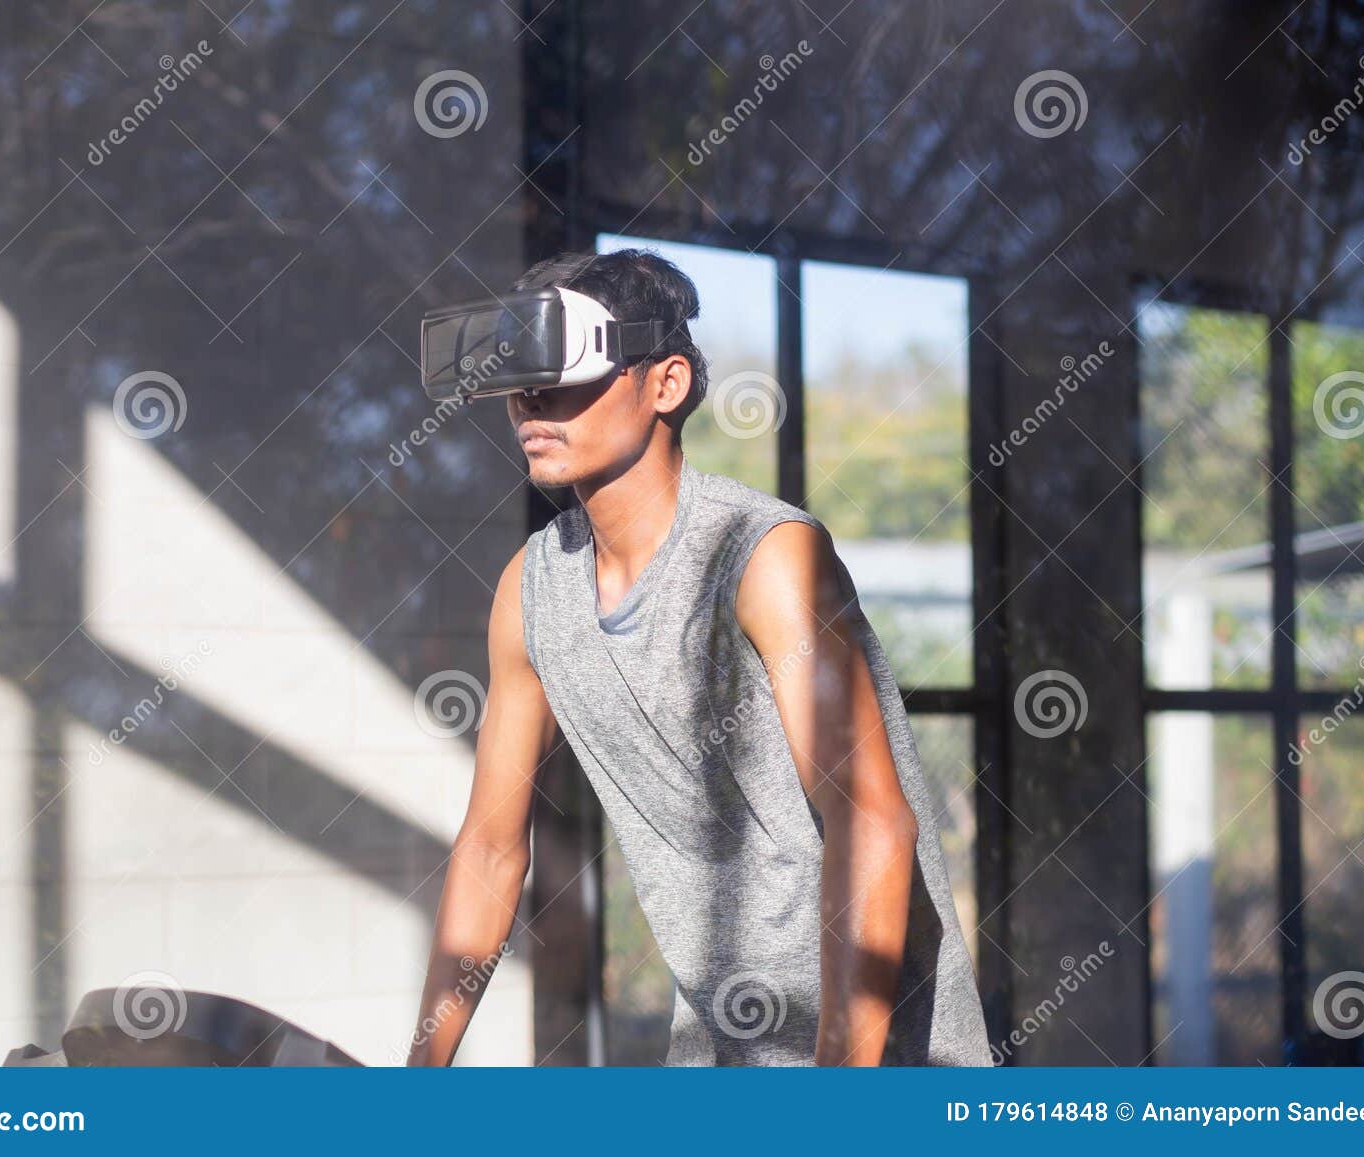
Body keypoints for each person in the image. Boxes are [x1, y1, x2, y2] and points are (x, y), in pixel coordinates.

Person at [407, 248, 990, 1067]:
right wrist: (417, 1073)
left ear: (666, 384)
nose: (531, 401)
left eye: (563, 374)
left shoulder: (765, 555)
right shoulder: (530, 590)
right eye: (517, 377)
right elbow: (490, 849)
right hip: (717, 1040)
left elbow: (873, 820)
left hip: (877, 1051)